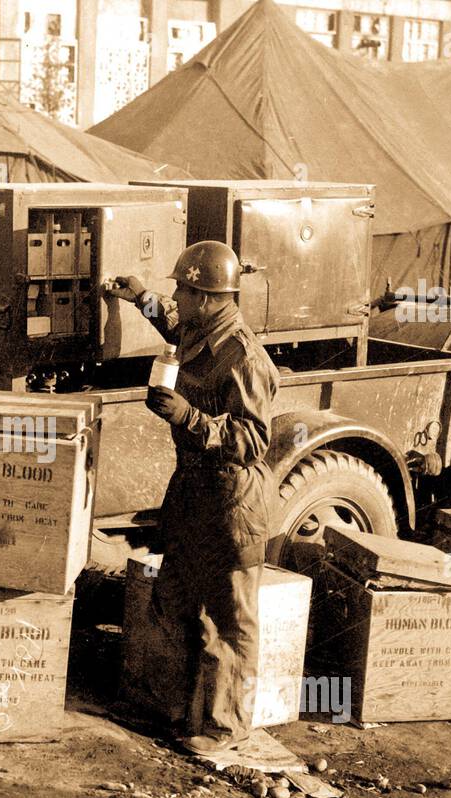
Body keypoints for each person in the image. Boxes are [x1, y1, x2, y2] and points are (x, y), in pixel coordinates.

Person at [109, 241, 279, 756]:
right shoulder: (202, 328)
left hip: (232, 503)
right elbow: (172, 326)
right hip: (193, 495)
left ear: (205, 295)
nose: (175, 296)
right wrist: (139, 296)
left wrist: (189, 418)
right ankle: (181, 711)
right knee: (180, 601)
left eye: (181, 289)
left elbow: (253, 441)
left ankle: (226, 728)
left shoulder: (245, 356)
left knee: (231, 618)